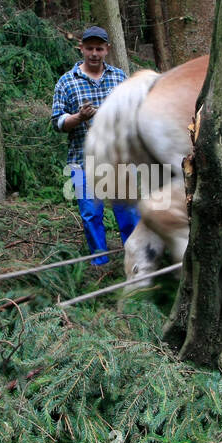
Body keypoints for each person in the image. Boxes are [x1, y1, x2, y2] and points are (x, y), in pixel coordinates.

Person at [51, 26, 139, 265]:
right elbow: (57, 122)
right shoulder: (67, 82)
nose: (94, 53)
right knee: (91, 215)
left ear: (107, 50)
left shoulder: (119, 78)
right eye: (89, 48)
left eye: (99, 48)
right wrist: (79, 118)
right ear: (81, 48)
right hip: (82, 160)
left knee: (129, 213)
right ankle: (100, 264)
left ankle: (136, 261)